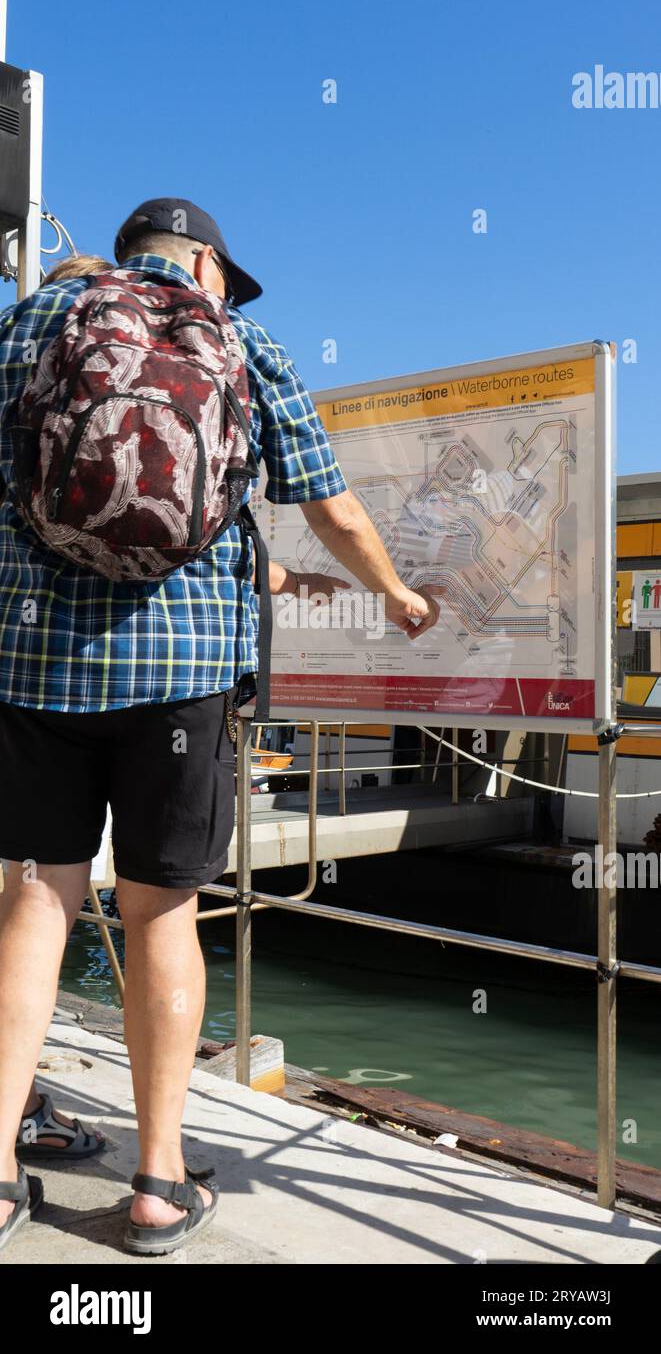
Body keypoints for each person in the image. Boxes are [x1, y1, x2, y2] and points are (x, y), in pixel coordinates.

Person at [0, 197, 439, 1256]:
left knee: (37, 895)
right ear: (203, 261)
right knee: (160, 911)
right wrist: (395, 597)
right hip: (184, 677)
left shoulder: (29, 328)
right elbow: (329, 504)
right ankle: (156, 1184)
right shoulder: (245, 342)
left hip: (34, 663)